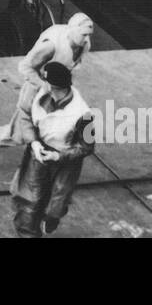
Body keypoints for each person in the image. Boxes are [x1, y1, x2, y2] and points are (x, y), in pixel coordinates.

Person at [0, 12, 94, 171]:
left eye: (89, 35)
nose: (87, 39)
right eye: (84, 34)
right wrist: (45, 87)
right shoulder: (50, 46)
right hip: (37, 91)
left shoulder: (83, 44)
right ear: (71, 30)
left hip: (56, 91)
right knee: (19, 133)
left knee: (48, 130)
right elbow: (25, 67)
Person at [9, 62, 95, 238]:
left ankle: (52, 218)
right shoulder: (38, 94)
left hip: (65, 161)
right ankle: (27, 232)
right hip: (39, 152)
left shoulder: (84, 114)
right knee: (29, 199)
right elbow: (24, 115)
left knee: (56, 205)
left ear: (52, 86)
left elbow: (87, 147)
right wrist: (34, 143)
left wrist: (59, 156)